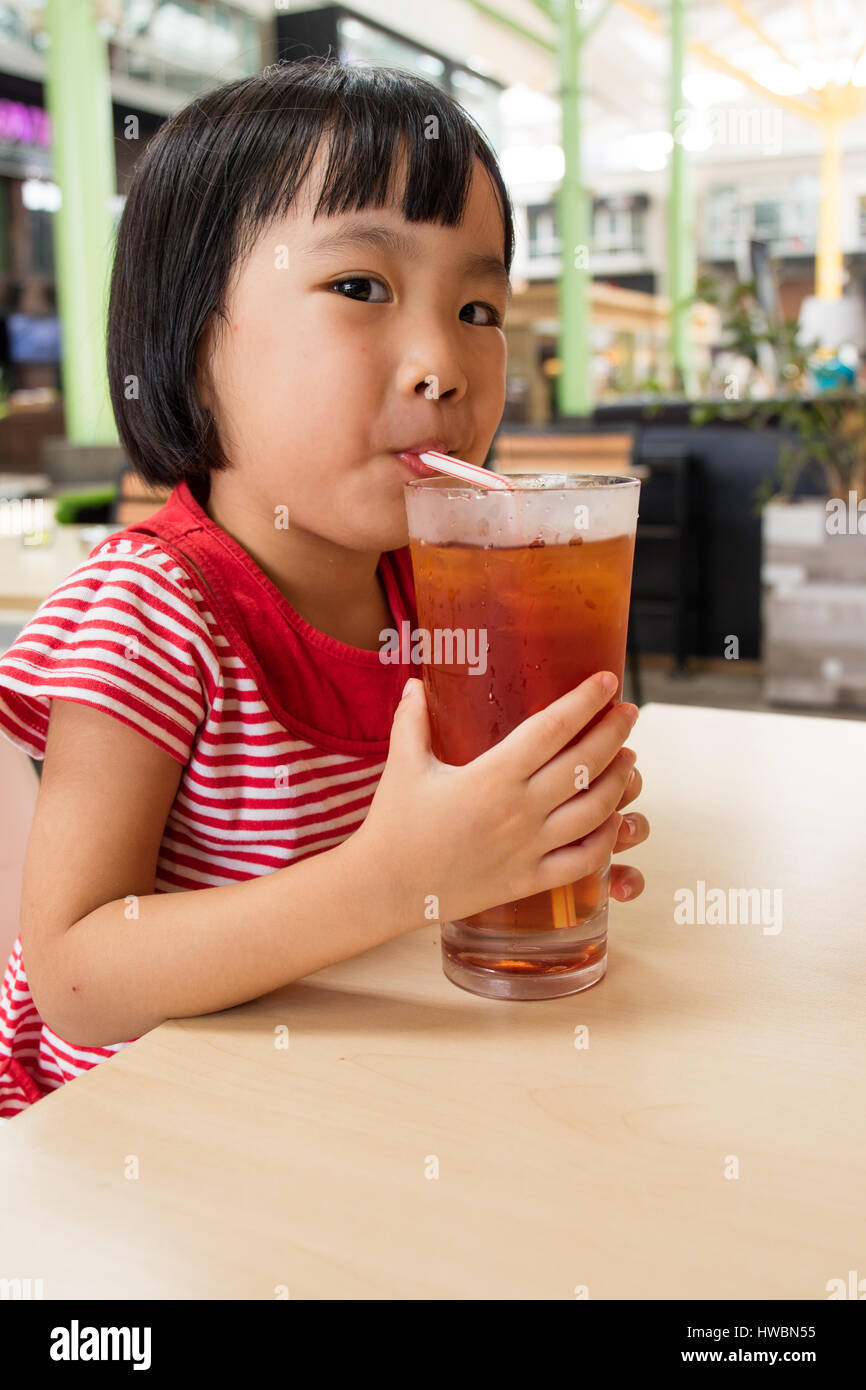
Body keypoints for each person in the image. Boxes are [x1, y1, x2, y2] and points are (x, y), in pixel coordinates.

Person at [0, 58, 648, 1119]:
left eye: (478, 305)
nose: (443, 363)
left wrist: (517, 841)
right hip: (136, 1153)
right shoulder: (156, 610)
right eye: (360, 287)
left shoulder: (433, 597)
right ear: (190, 331)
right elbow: (74, 977)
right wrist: (401, 879)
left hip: (343, 1101)